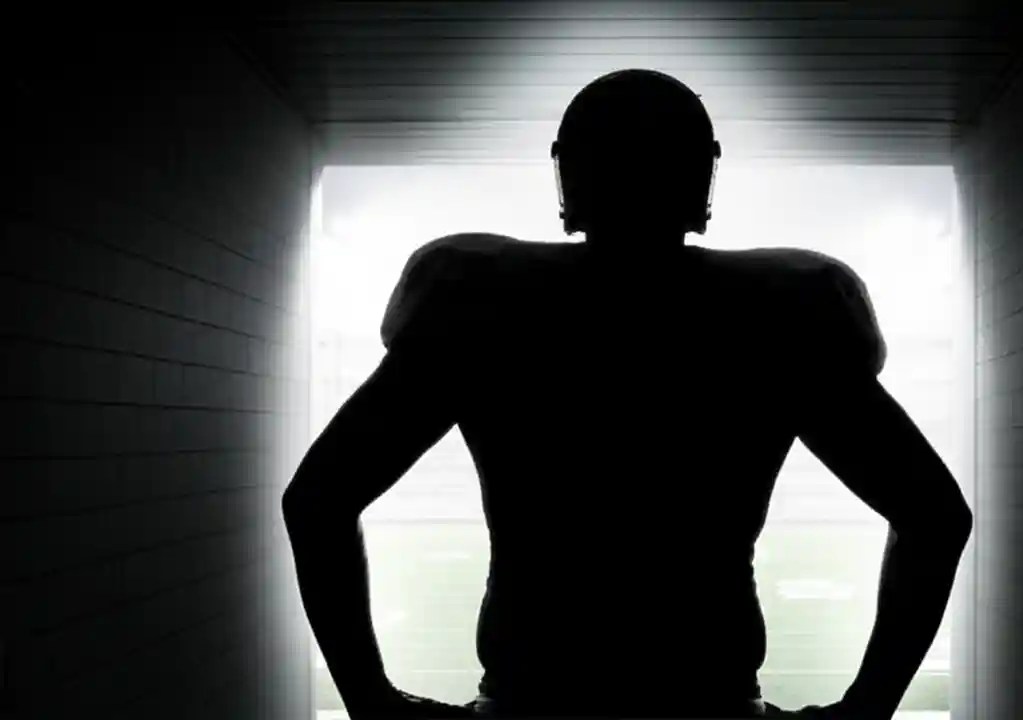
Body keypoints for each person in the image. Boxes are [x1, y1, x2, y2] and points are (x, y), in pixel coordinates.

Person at [282, 69, 973, 720]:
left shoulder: (483, 305)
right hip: (708, 693)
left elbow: (318, 499)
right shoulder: (778, 316)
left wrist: (372, 704)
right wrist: (865, 710)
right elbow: (935, 516)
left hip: (533, 691)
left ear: (568, 172)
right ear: (702, 173)